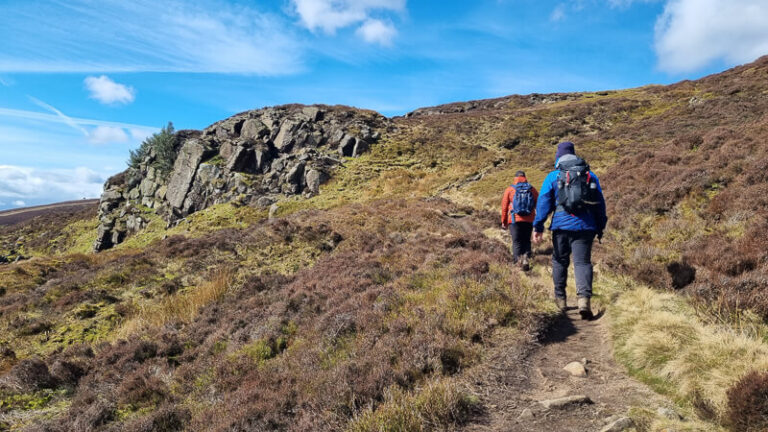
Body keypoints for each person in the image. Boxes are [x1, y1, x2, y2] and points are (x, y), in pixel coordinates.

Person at [532, 142, 607, 319]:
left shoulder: (553, 176)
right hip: (585, 226)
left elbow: (543, 202)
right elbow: (600, 205)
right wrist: (600, 226)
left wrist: (538, 226)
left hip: (561, 226)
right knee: (582, 262)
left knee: (559, 261)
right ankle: (584, 301)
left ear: (558, 157)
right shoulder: (590, 175)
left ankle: (560, 300)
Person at [501, 170, 538, 271]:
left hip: (514, 220)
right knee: (526, 241)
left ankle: (517, 263)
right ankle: (526, 260)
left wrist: (504, 222)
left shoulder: (510, 189)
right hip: (529, 219)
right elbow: (538, 204)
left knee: (516, 242)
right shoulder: (531, 189)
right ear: (525, 177)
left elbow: (504, 207)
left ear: (515, 178)